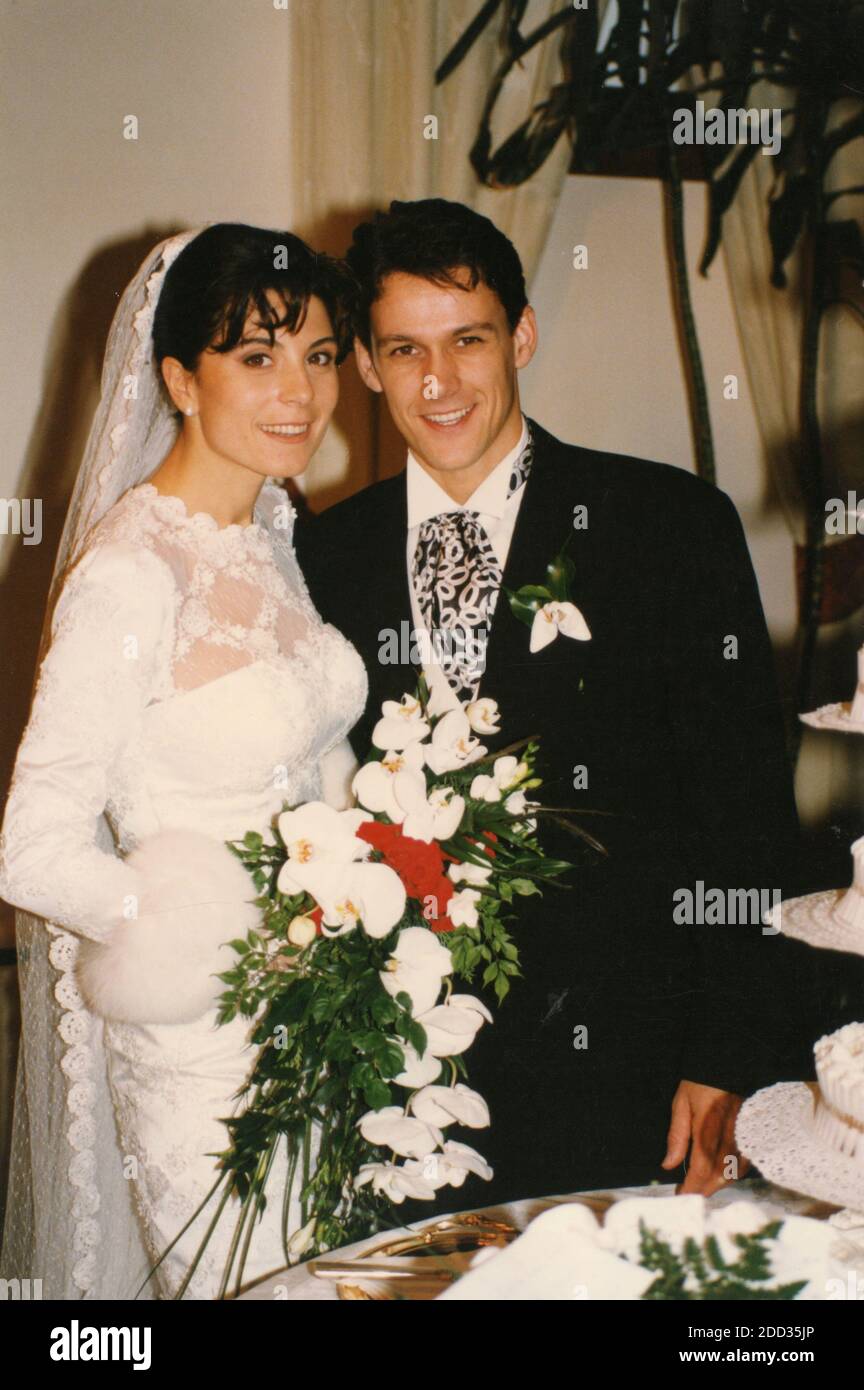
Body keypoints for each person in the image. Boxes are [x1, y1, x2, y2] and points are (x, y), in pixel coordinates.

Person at [294, 197, 817, 1215]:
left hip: (635, 1082)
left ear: (521, 335)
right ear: (365, 363)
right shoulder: (320, 557)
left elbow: (747, 815)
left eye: (469, 340)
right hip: (403, 1095)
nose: (438, 382)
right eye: (404, 349)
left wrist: (728, 1057)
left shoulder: (668, 526)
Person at [0, 224, 367, 1298]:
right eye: (257, 356)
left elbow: (308, 761)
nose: (299, 390)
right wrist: (213, 940)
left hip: (325, 1028)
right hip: (204, 1054)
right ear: (179, 377)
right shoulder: (130, 571)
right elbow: (29, 846)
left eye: (320, 353)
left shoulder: (268, 532)